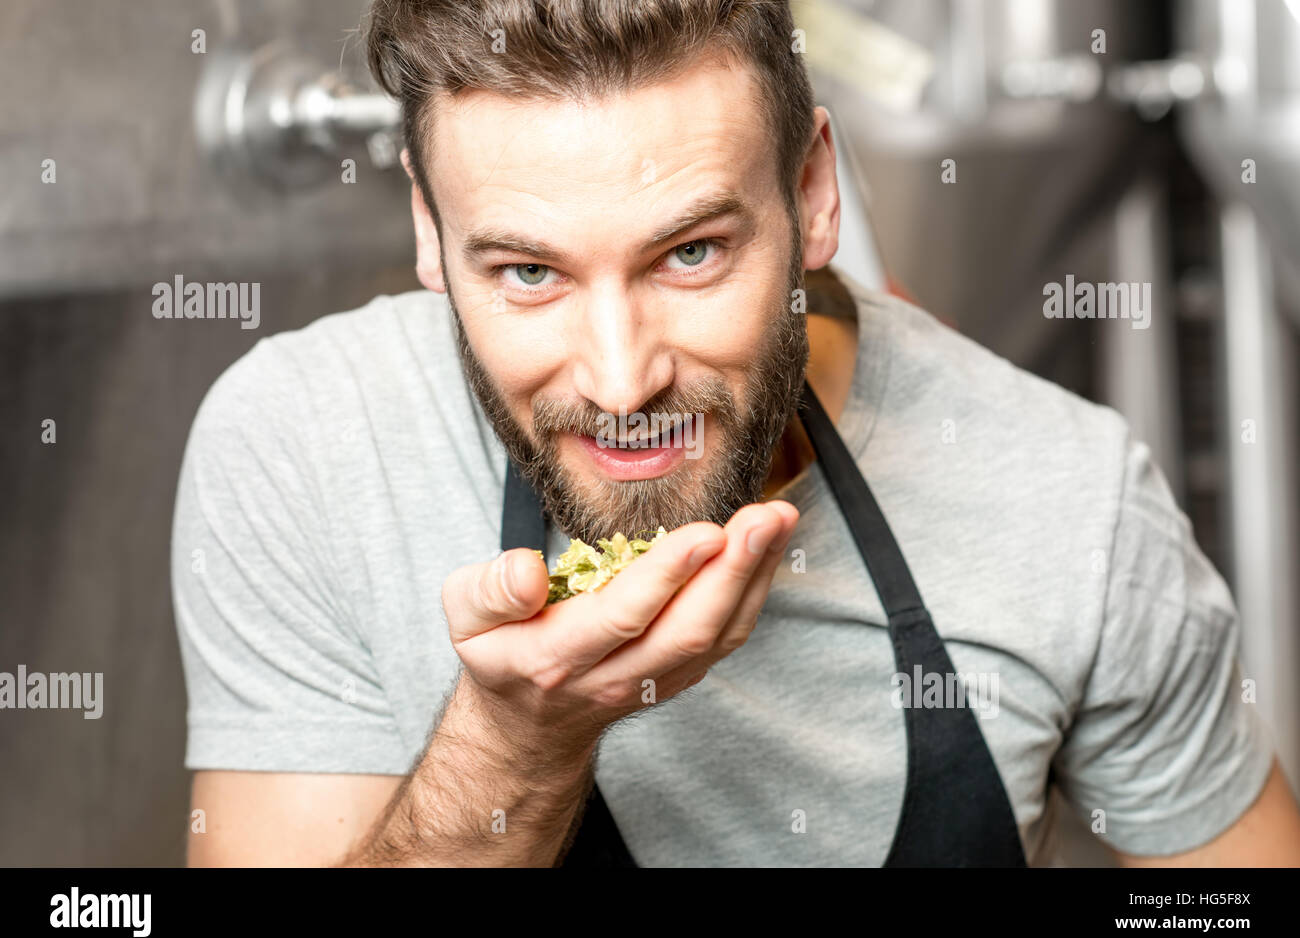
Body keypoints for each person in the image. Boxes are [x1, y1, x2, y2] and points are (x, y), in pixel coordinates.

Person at [172, 0, 1300, 866]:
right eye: (528, 273)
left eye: (691, 253)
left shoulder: (1069, 499)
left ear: (812, 194)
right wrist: (515, 747)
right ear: (429, 229)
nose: (622, 382)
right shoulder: (307, 446)